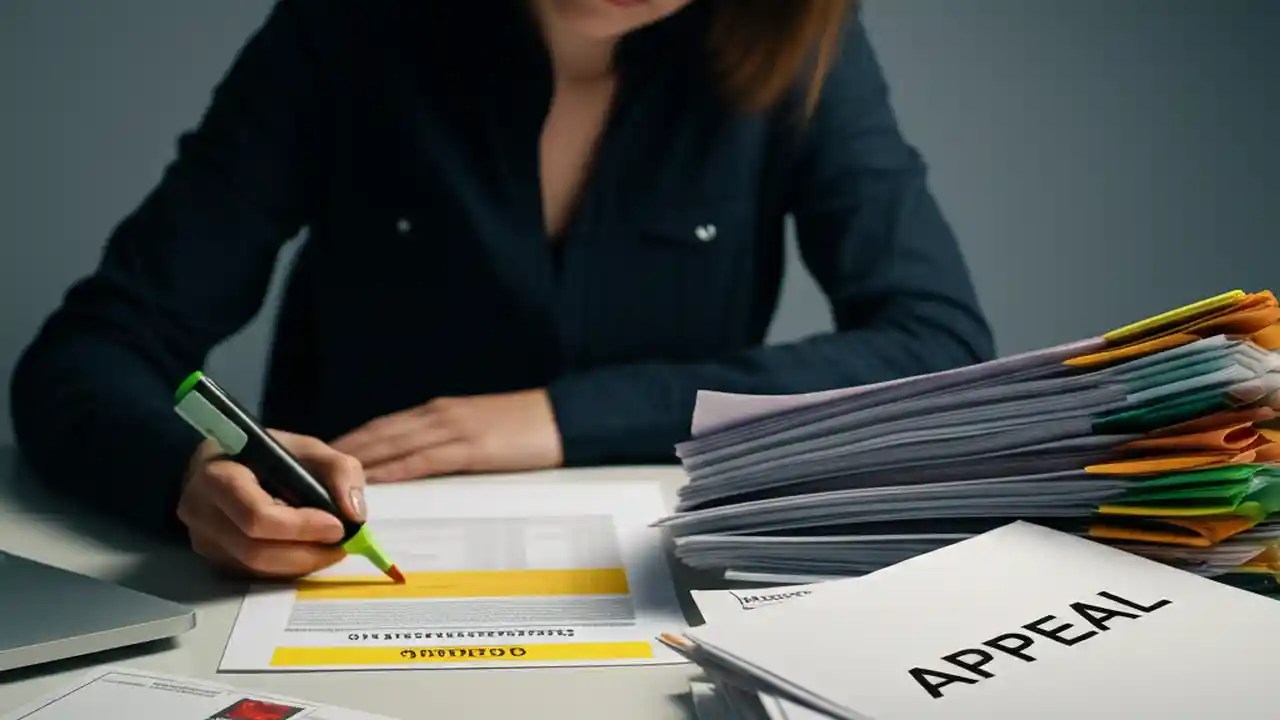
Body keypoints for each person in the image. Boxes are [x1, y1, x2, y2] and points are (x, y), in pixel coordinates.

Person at [10, 0, 993, 579]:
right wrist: (184, 478)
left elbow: (936, 344)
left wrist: (562, 417)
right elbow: (87, 356)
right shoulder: (345, 29)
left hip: (659, 581)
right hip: (341, 589)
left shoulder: (798, 41)